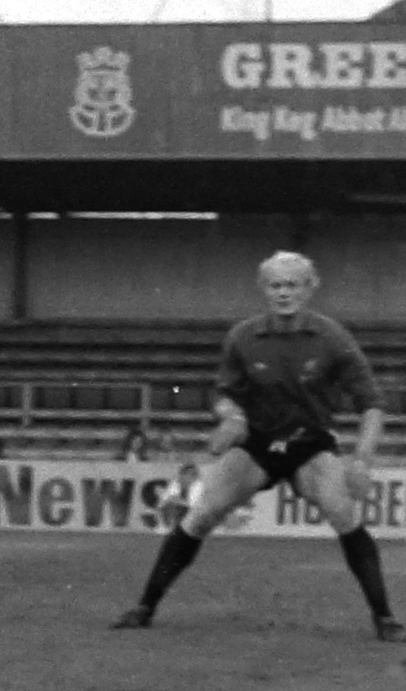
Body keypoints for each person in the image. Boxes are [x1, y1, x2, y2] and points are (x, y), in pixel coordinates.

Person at [112, 251, 402, 642]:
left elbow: (372, 404)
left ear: (310, 287)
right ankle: (144, 607)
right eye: (275, 285)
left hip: (309, 444)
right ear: (263, 288)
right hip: (257, 443)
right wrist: (232, 417)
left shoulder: (332, 338)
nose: (284, 293)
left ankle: (385, 618)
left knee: (342, 512)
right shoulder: (243, 337)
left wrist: (362, 461)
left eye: (292, 285)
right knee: (202, 514)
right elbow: (224, 394)